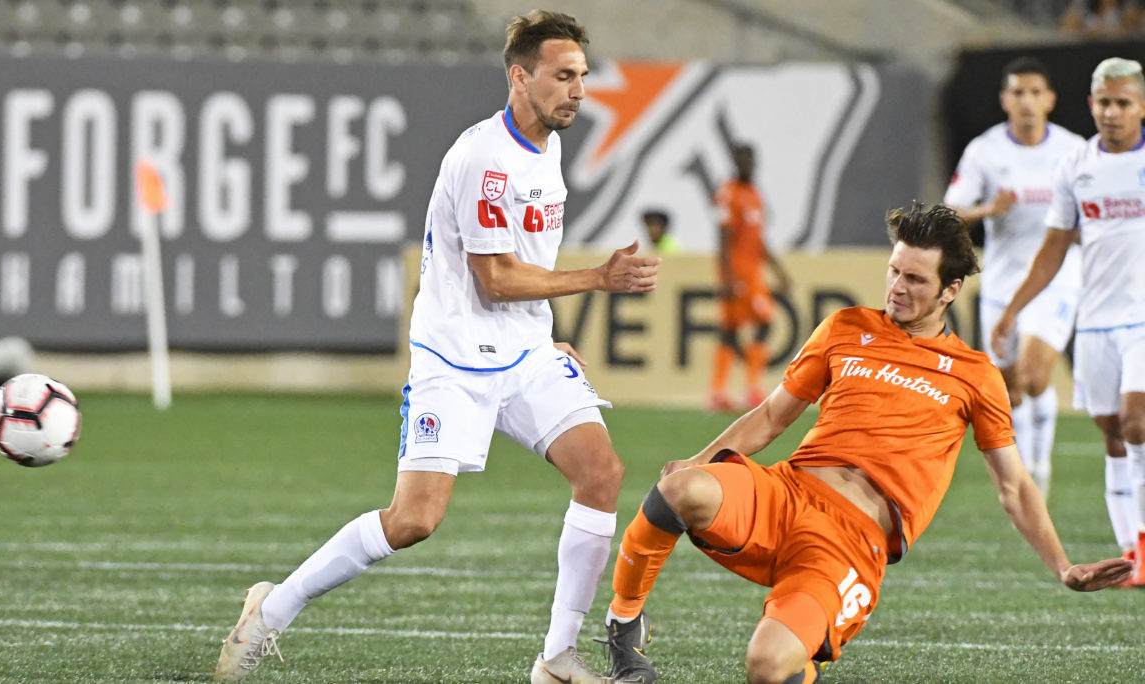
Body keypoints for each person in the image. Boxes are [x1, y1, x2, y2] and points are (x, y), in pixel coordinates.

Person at [213, 10, 662, 683]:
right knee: (415, 520)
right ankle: (271, 610)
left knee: (600, 473)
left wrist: (545, 334)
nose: (579, 90)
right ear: (520, 77)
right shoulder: (483, 157)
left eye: (583, 77)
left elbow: (524, 264)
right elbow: (496, 276)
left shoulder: (549, 144)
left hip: (524, 350)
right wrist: (598, 279)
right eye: (564, 76)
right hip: (454, 361)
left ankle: (557, 658)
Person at [599, 203, 1130, 684]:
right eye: (894, 271)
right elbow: (769, 418)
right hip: (785, 494)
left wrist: (1063, 565)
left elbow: (1014, 485)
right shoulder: (845, 328)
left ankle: (803, 659)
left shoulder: (976, 376)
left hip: (850, 544)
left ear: (950, 290)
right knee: (682, 488)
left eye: (916, 279)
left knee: (767, 665)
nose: (898, 287)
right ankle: (625, 629)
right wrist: (694, 461)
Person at [992, 57, 1145, 587]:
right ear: (1090, 105)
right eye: (1104, 102)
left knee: (1137, 422)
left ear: (1141, 107)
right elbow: (1054, 249)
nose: (1112, 112)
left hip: (1143, 320)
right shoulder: (1075, 166)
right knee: (1113, 435)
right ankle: (1132, 554)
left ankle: (1144, 545)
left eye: (1123, 103)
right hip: (1097, 319)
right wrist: (1013, 309)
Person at [943, 57, 1086, 500]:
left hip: (1058, 276)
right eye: (1017, 93)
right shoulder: (985, 151)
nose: (1026, 101)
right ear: (1005, 100)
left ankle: (1036, 470)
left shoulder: (1073, 149)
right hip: (1002, 283)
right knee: (1008, 385)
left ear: (1050, 100)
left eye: (1034, 93)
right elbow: (949, 213)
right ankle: (1027, 471)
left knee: (1035, 374)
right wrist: (986, 211)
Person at [708, 143, 792, 412]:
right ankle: (752, 389)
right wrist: (727, 278)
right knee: (764, 321)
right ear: (734, 162)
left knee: (730, 330)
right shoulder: (728, 194)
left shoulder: (755, 193)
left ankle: (718, 392)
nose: (748, 165)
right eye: (743, 161)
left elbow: (758, 239)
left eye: (751, 160)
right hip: (739, 275)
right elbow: (722, 238)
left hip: (752, 274)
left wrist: (779, 271)